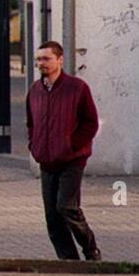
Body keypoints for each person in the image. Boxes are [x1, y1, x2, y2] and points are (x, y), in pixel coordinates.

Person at [27, 41, 102, 261]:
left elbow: (90, 123)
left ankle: (90, 249)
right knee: (52, 217)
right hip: (47, 161)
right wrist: (35, 146)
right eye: (39, 59)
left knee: (66, 207)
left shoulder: (77, 88)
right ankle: (69, 261)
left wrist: (71, 145)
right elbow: (31, 123)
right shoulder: (35, 91)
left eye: (47, 59)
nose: (42, 63)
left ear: (60, 60)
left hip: (72, 160)